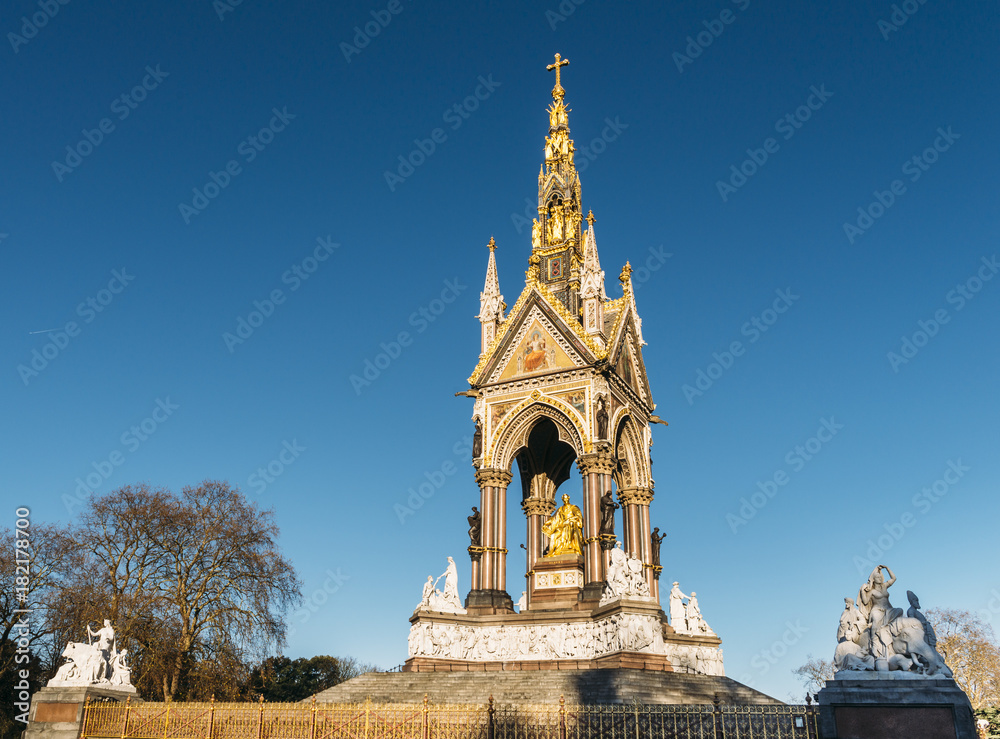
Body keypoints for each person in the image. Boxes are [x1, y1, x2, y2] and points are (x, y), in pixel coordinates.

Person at [857, 565, 902, 661]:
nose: (880, 578)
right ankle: (874, 644)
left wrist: (887, 568)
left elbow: (894, 578)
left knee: (900, 611)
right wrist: (862, 591)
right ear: (873, 579)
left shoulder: (885, 586)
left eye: (880, 577)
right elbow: (865, 601)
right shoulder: (872, 591)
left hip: (888, 609)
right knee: (876, 621)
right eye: (877, 577)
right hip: (877, 610)